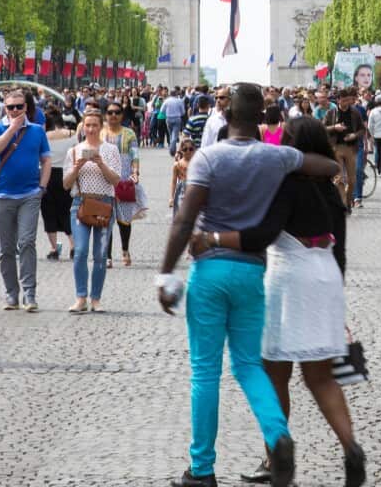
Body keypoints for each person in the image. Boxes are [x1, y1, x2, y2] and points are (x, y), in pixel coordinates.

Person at [156, 83, 339, 487]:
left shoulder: (208, 157)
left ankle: (201, 470)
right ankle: (278, 436)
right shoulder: (278, 157)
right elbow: (330, 168)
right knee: (249, 366)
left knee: (205, 373)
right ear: (263, 117)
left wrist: (167, 274)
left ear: (225, 115)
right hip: (252, 271)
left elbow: (185, 221)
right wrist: (303, 157)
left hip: (210, 270)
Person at [203, 116, 365, 487]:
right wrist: (336, 303)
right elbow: (340, 252)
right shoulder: (330, 187)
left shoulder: (284, 183)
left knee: (274, 374)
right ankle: (351, 447)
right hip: (324, 273)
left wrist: (215, 238)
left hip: (287, 278)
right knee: (321, 377)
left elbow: (261, 235)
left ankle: (275, 458)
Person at [0, 88, 53, 312]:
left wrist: (42, 187)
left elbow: (46, 160)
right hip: (3, 194)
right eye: (10, 107)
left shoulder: (36, 131)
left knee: (26, 242)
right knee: (6, 249)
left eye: (19, 106)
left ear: (27, 108)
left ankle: (30, 293)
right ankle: (11, 294)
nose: (15, 111)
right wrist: (11, 129)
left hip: (30, 194)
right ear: (4, 108)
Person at [64, 109, 122, 313]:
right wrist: (77, 168)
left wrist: (101, 163)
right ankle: (81, 297)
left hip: (104, 204)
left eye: (94, 125)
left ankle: (95, 298)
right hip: (80, 204)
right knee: (80, 251)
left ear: (101, 127)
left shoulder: (111, 150)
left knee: (100, 253)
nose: (91, 129)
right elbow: (65, 184)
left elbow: (115, 180)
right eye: (87, 125)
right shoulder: (74, 151)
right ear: (82, 127)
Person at [103, 101, 143, 267]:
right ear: (106, 114)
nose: (113, 115)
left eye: (117, 112)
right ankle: (107, 255)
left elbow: (135, 155)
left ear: (122, 115)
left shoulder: (129, 134)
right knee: (106, 218)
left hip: (124, 179)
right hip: (103, 180)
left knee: (124, 219)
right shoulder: (100, 133)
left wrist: (135, 172)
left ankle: (125, 249)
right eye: (110, 112)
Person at [40, 110, 77, 260]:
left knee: (48, 212)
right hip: (66, 175)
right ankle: (73, 245)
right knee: (67, 211)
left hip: (47, 175)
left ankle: (54, 248)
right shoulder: (72, 135)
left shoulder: (44, 137)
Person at [324, 87, 366, 209]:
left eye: (348, 100)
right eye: (344, 100)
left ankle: (348, 201)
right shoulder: (331, 113)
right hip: (336, 147)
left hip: (350, 148)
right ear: (338, 100)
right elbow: (323, 128)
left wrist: (354, 135)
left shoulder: (355, 113)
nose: (346, 103)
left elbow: (362, 129)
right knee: (339, 178)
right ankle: (343, 205)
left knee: (352, 180)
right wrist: (334, 127)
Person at [170, 138, 195, 213]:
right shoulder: (177, 165)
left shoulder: (197, 163)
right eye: (185, 149)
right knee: (181, 211)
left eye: (190, 149)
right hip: (181, 191)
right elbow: (174, 182)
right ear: (181, 150)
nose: (188, 151)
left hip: (193, 189)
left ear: (194, 150)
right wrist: (171, 197)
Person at [163, 88, 186, 155]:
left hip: (168, 119)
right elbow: (183, 112)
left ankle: (172, 149)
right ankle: (172, 150)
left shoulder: (166, 101)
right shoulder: (179, 101)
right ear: (176, 94)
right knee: (175, 135)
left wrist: (167, 113)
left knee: (171, 134)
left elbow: (162, 110)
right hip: (177, 118)